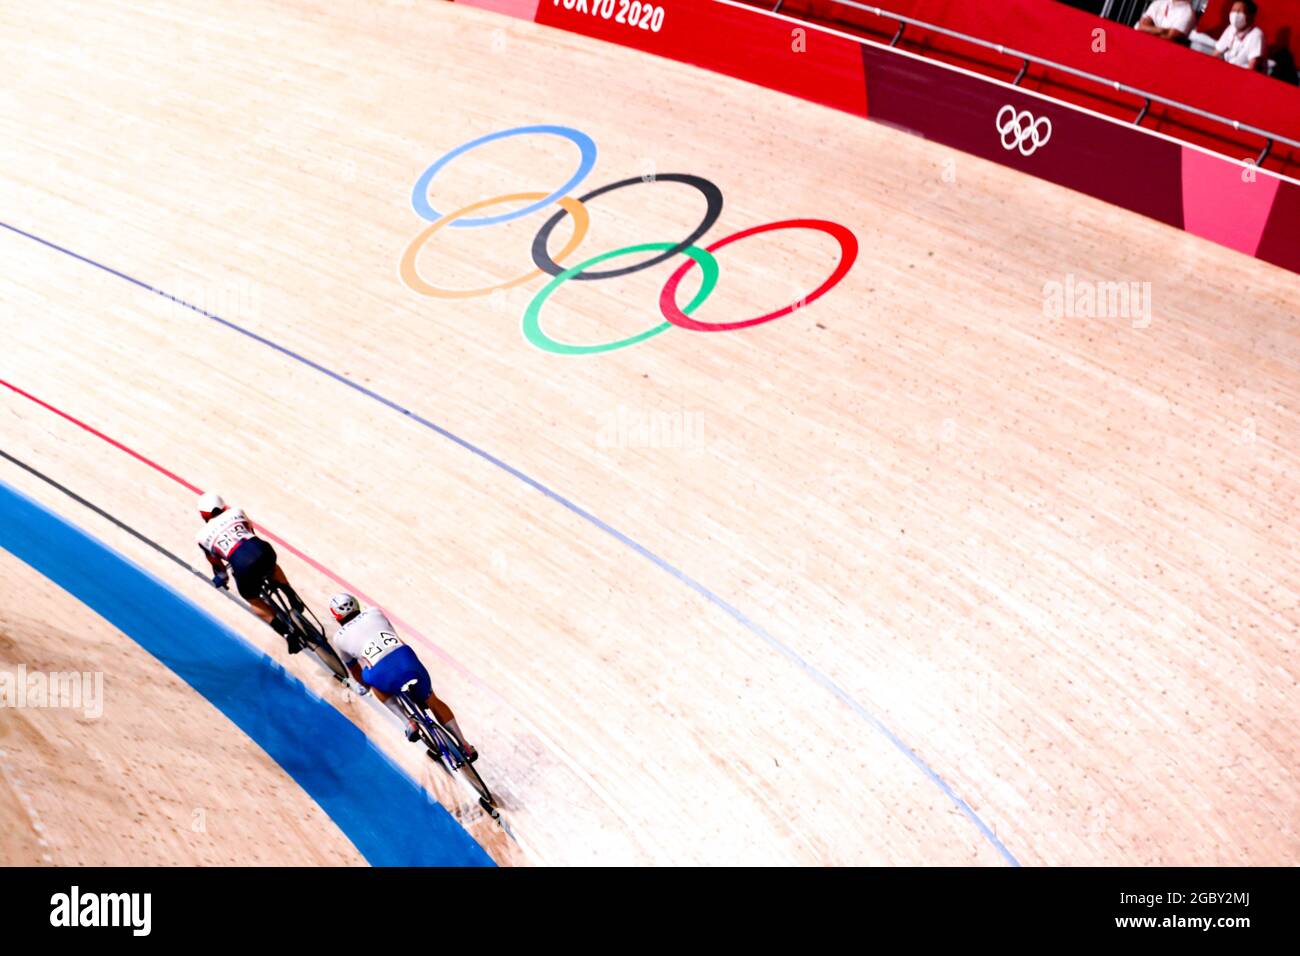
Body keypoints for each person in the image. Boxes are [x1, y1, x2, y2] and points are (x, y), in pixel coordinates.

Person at [327, 593, 478, 761]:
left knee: (374, 683)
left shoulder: (339, 638)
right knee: (433, 700)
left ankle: (408, 722)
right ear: (356, 605)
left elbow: (355, 671)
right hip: (407, 659)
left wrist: (366, 686)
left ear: (336, 616)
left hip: (381, 673)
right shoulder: (374, 612)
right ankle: (465, 744)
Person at [196, 491, 304, 653]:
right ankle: (292, 596)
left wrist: (222, 579)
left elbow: (218, 565)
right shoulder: (236, 511)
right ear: (223, 506)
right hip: (262, 550)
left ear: (203, 515)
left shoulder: (202, 536)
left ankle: (288, 635)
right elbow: (250, 530)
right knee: (271, 566)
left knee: (252, 599)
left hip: (242, 566)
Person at [1213, 0, 1266, 70]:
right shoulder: (1231, 28)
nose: (1235, 14)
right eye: (1233, 10)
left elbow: (1252, 67)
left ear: (1250, 16)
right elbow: (1215, 54)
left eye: (1239, 11)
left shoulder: (1256, 34)